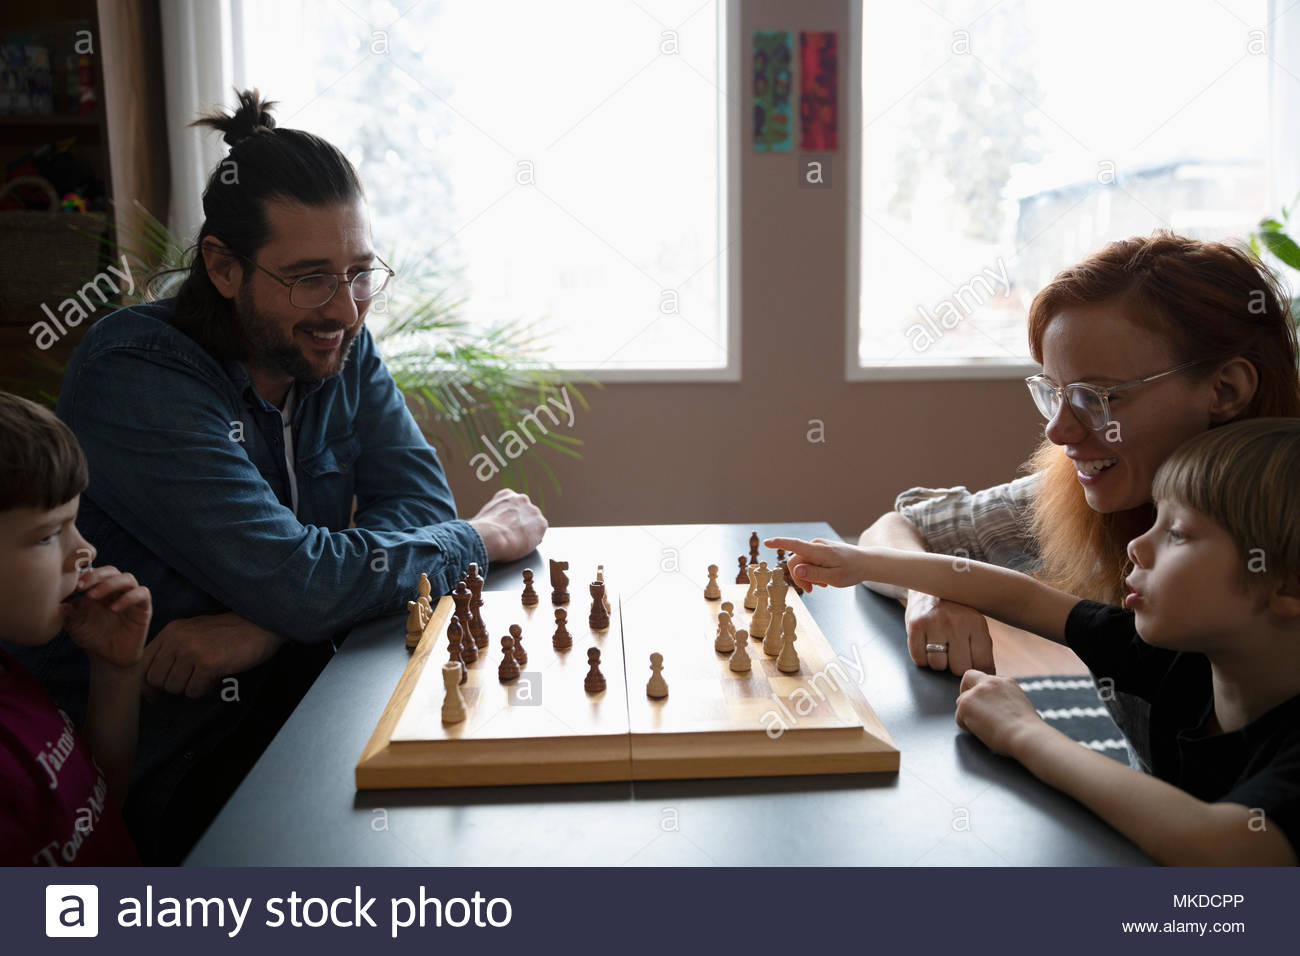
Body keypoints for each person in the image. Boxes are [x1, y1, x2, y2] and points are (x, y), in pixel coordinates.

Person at [9, 89, 546, 861]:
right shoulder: (136, 376)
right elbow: (330, 571)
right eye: (309, 278)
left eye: (359, 273)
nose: (347, 310)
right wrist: (478, 538)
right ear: (223, 268)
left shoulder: (338, 343)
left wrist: (264, 625)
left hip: (302, 705)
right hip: (155, 778)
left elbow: (413, 506)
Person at [770, 417, 1300, 866]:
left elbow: (1218, 845)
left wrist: (1026, 732)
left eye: (1178, 533)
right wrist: (862, 562)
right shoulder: (1179, 659)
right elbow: (1022, 598)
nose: (1137, 546)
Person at [859, 233, 1300, 684]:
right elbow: (893, 529)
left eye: (1097, 396)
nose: (1058, 430)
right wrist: (927, 590)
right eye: (1054, 393)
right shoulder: (1082, 490)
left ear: (1225, 391)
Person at [0, 392, 152, 865]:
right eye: (48, 534)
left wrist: (116, 673)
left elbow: (92, 814)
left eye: (75, 522)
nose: (84, 550)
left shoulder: (12, 679)